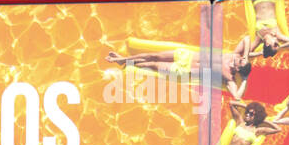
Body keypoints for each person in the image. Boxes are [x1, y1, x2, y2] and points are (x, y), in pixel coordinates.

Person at [106, 37, 252, 97]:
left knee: (152, 65)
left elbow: (237, 96)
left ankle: (127, 63)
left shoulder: (229, 78)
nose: (238, 61)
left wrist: (244, 79)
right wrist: (245, 55)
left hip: (184, 70)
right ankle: (122, 59)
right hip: (186, 55)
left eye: (240, 64)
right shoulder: (233, 55)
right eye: (240, 60)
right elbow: (246, 38)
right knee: (153, 55)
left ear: (239, 70)